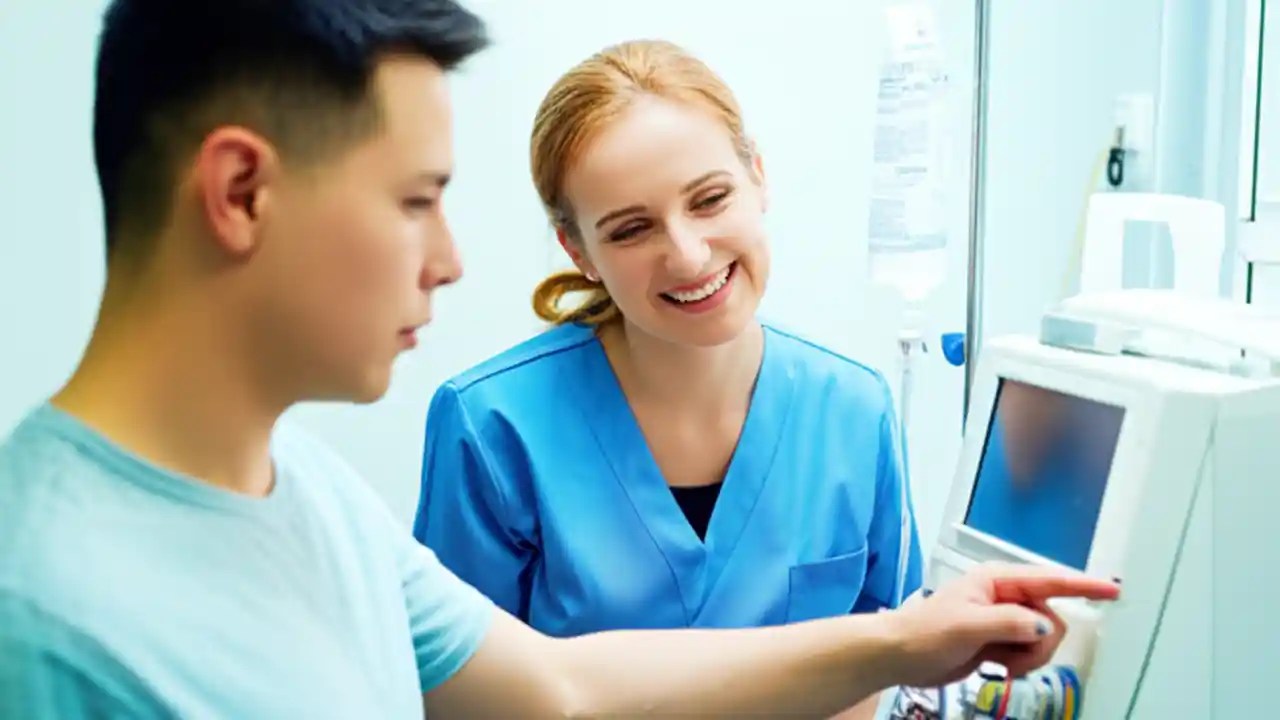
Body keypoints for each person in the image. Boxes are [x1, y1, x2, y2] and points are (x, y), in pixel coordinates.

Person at [0, 1, 1119, 718]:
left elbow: (561, 685)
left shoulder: (307, 498)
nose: (449, 261)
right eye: (415, 201)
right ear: (242, 193)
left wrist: (904, 640)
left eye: (709, 200)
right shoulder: (49, 623)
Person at [412, 39, 922, 716]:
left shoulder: (855, 409)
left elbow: (887, 655)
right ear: (578, 250)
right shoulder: (492, 426)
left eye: (709, 199)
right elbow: (455, 693)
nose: (687, 255)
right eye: (631, 229)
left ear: (758, 176)